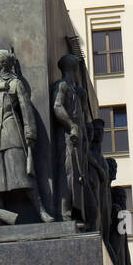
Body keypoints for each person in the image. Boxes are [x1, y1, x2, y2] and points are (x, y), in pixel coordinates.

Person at [0, 50, 52, 221]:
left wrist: (30, 132)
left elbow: (25, 109)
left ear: (5, 62)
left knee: (24, 174)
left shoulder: (16, 83)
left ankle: (41, 211)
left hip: (9, 131)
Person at [50, 54, 92, 224]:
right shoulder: (61, 86)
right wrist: (71, 126)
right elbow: (57, 106)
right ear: (73, 69)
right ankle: (64, 213)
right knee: (68, 173)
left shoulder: (75, 89)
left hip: (78, 137)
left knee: (78, 175)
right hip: (68, 136)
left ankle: (76, 213)